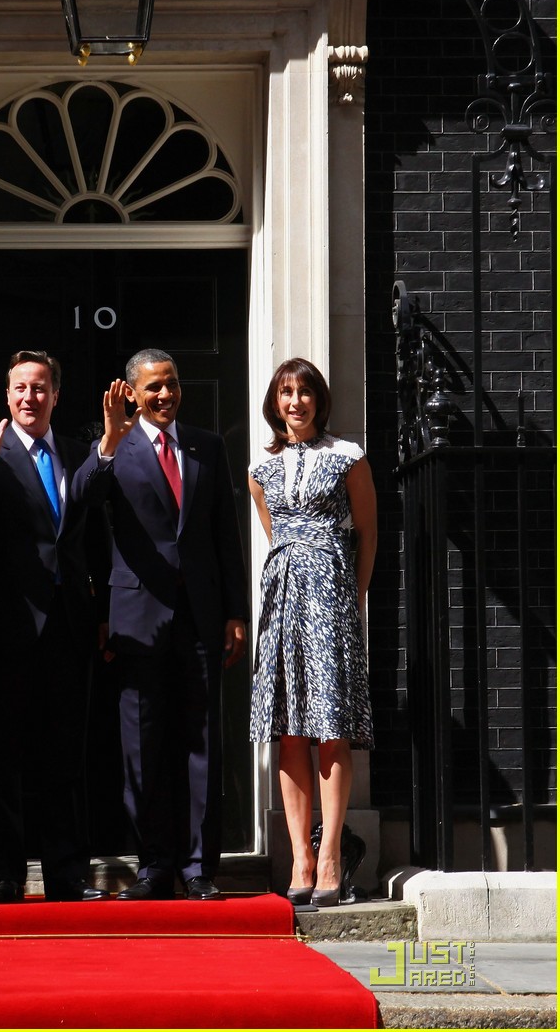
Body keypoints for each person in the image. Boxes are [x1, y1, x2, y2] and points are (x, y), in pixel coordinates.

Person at [72, 349, 249, 900]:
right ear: (131, 393)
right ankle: (153, 865)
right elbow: (80, 506)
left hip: (200, 616)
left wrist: (236, 612)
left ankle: (198, 869)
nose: (165, 395)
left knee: (201, 743)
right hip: (137, 619)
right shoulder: (113, 448)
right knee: (141, 745)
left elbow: (226, 533)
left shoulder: (207, 446)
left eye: (171, 385)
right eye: (153, 388)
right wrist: (107, 441)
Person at [0, 350, 110, 903]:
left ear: (55, 395)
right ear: (7, 396)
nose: (29, 397)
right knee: (5, 757)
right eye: (20, 388)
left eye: (40, 387)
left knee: (66, 756)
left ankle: (68, 875)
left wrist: (103, 609)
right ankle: (9, 877)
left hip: (69, 628)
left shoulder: (75, 454)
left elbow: (94, 538)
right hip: (7, 629)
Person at [247, 357, 376, 908]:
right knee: (288, 728)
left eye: (304, 392)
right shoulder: (260, 470)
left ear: (319, 400)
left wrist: (353, 598)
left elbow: (367, 533)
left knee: (330, 725)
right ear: (275, 403)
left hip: (332, 597)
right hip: (282, 599)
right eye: (285, 393)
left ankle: (330, 858)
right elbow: (274, 534)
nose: (295, 402)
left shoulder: (348, 458)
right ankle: (299, 855)